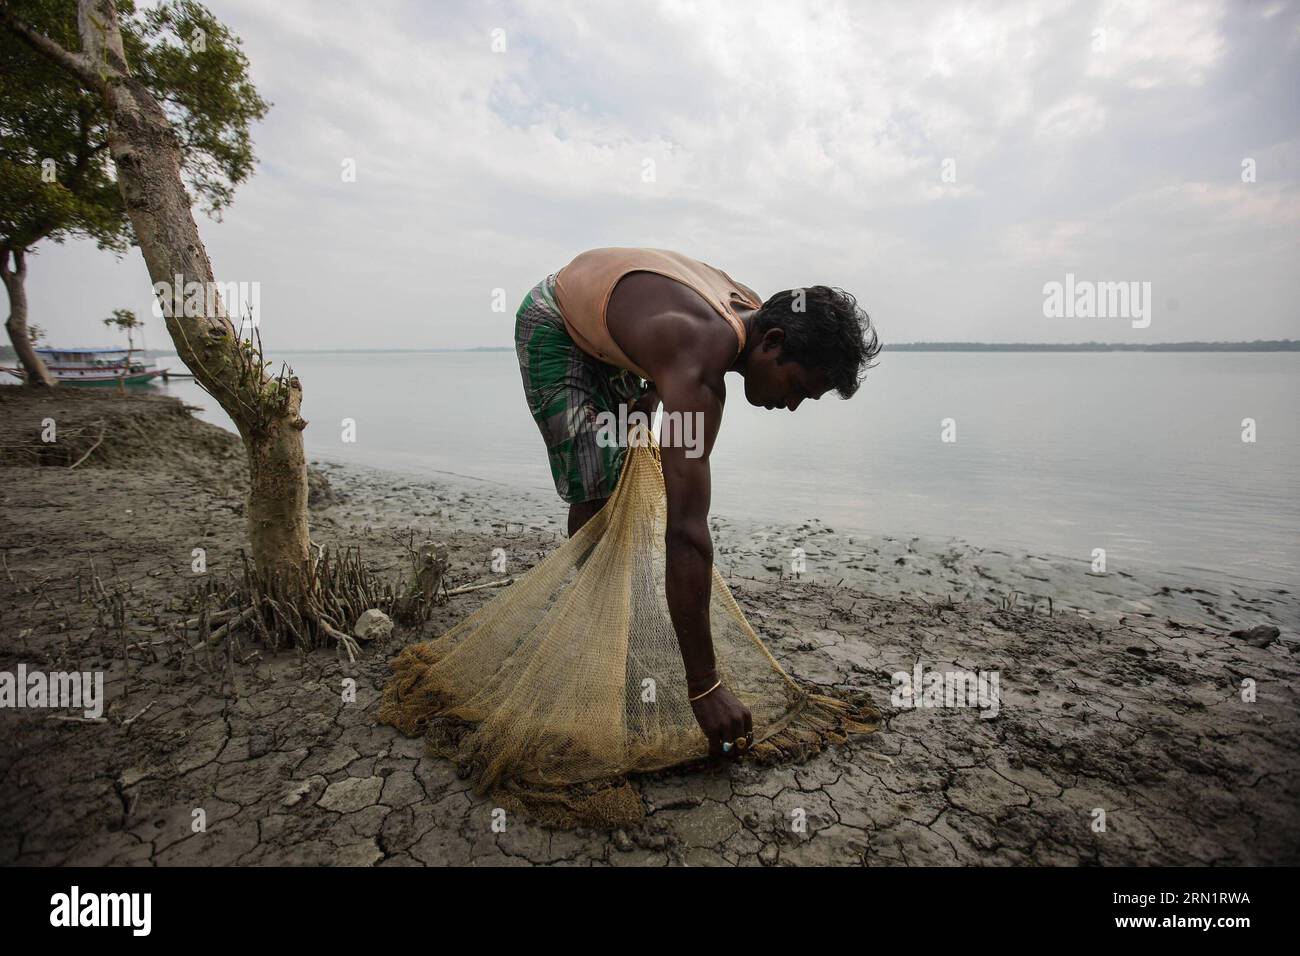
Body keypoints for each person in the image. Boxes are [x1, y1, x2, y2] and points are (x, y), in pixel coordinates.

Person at [514, 247, 880, 758]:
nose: (792, 405)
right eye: (797, 387)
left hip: (617, 334)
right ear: (773, 343)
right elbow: (686, 529)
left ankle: (611, 614)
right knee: (598, 478)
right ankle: (593, 627)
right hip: (559, 320)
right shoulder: (701, 355)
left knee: (629, 452)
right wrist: (705, 686)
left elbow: (662, 338)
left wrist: (653, 393)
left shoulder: (750, 314)